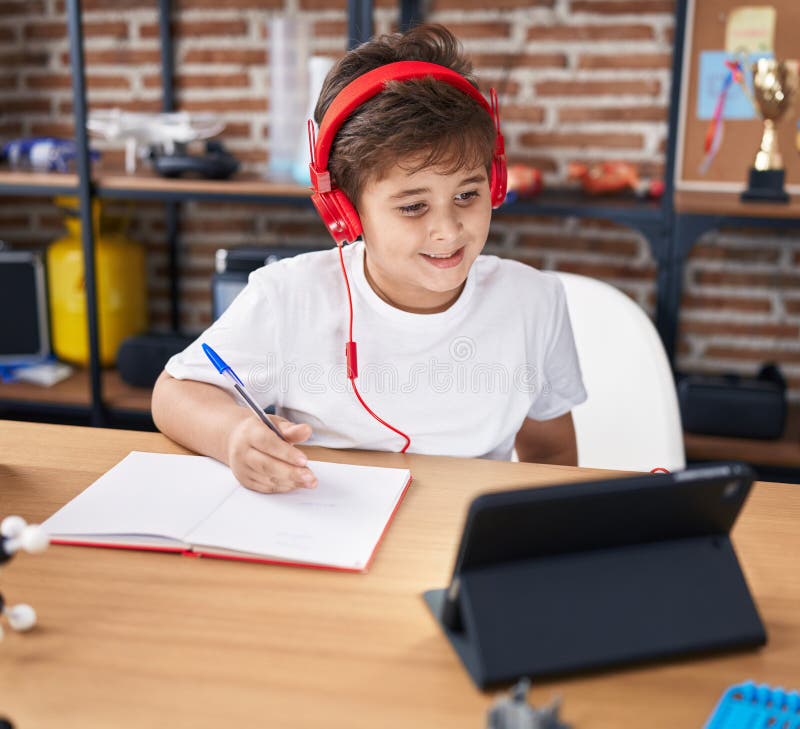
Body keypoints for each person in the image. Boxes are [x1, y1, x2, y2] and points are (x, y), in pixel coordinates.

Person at [152, 23, 587, 493]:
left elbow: (552, 457)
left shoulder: (534, 301)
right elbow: (172, 394)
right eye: (412, 206)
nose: (448, 230)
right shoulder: (288, 297)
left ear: (495, 184)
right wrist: (232, 433)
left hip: (463, 534)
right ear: (345, 212)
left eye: (467, 194)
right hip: (323, 530)